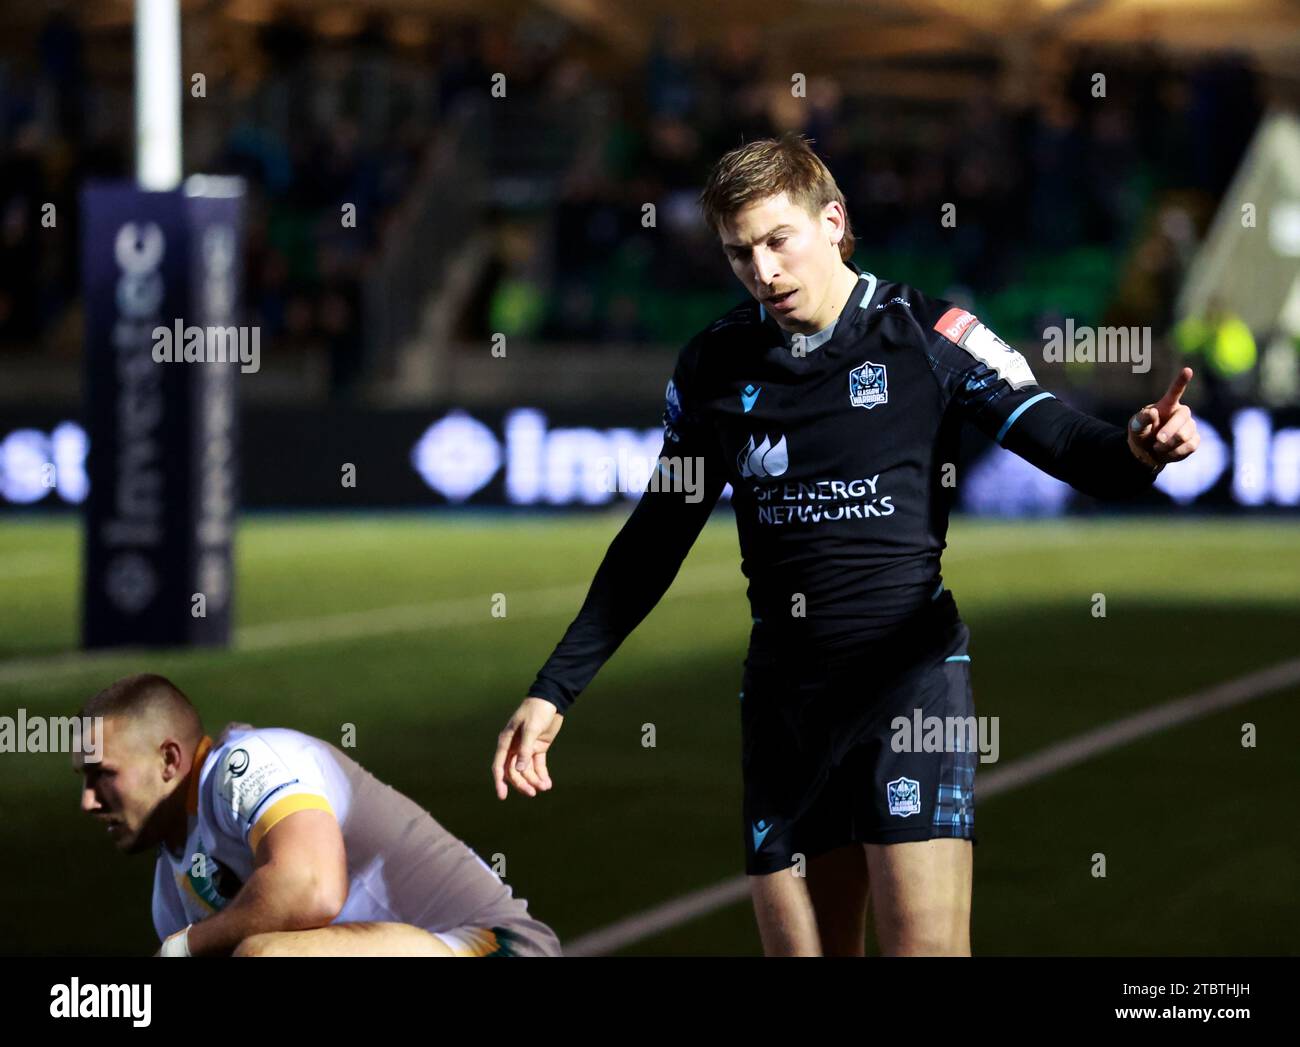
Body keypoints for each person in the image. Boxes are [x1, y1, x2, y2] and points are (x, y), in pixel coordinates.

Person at [492, 133, 1199, 957]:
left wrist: (1138, 449)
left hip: (911, 687)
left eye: (777, 240)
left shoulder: (933, 336)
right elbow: (656, 537)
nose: (763, 271)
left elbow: (1066, 441)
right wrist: (555, 689)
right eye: (739, 253)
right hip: (786, 706)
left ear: (833, 222)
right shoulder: (714, 365)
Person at [77, 673, 560, 957]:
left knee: (266, 957)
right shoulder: (171, 888)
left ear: (169, 760)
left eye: (103, 774)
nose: (89, 800)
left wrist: (185, 947)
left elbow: (312, 888)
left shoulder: (247, 765)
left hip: (498, 948)